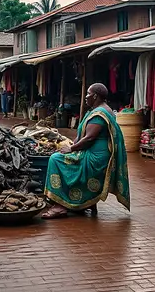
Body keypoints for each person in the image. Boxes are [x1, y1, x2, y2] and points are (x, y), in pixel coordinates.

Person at [41, 83, 130, 219]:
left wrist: (71, 148)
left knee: (56, 159)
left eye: (88, 94)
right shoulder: (101, 109)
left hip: (95, 158)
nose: (85, 97)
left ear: (95, 96)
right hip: (93, 152)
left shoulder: (99, 114)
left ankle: (60, 206)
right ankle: (80, 202)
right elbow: (84, 136)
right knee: (61, 157)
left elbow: (89, 138)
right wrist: (73, 144)